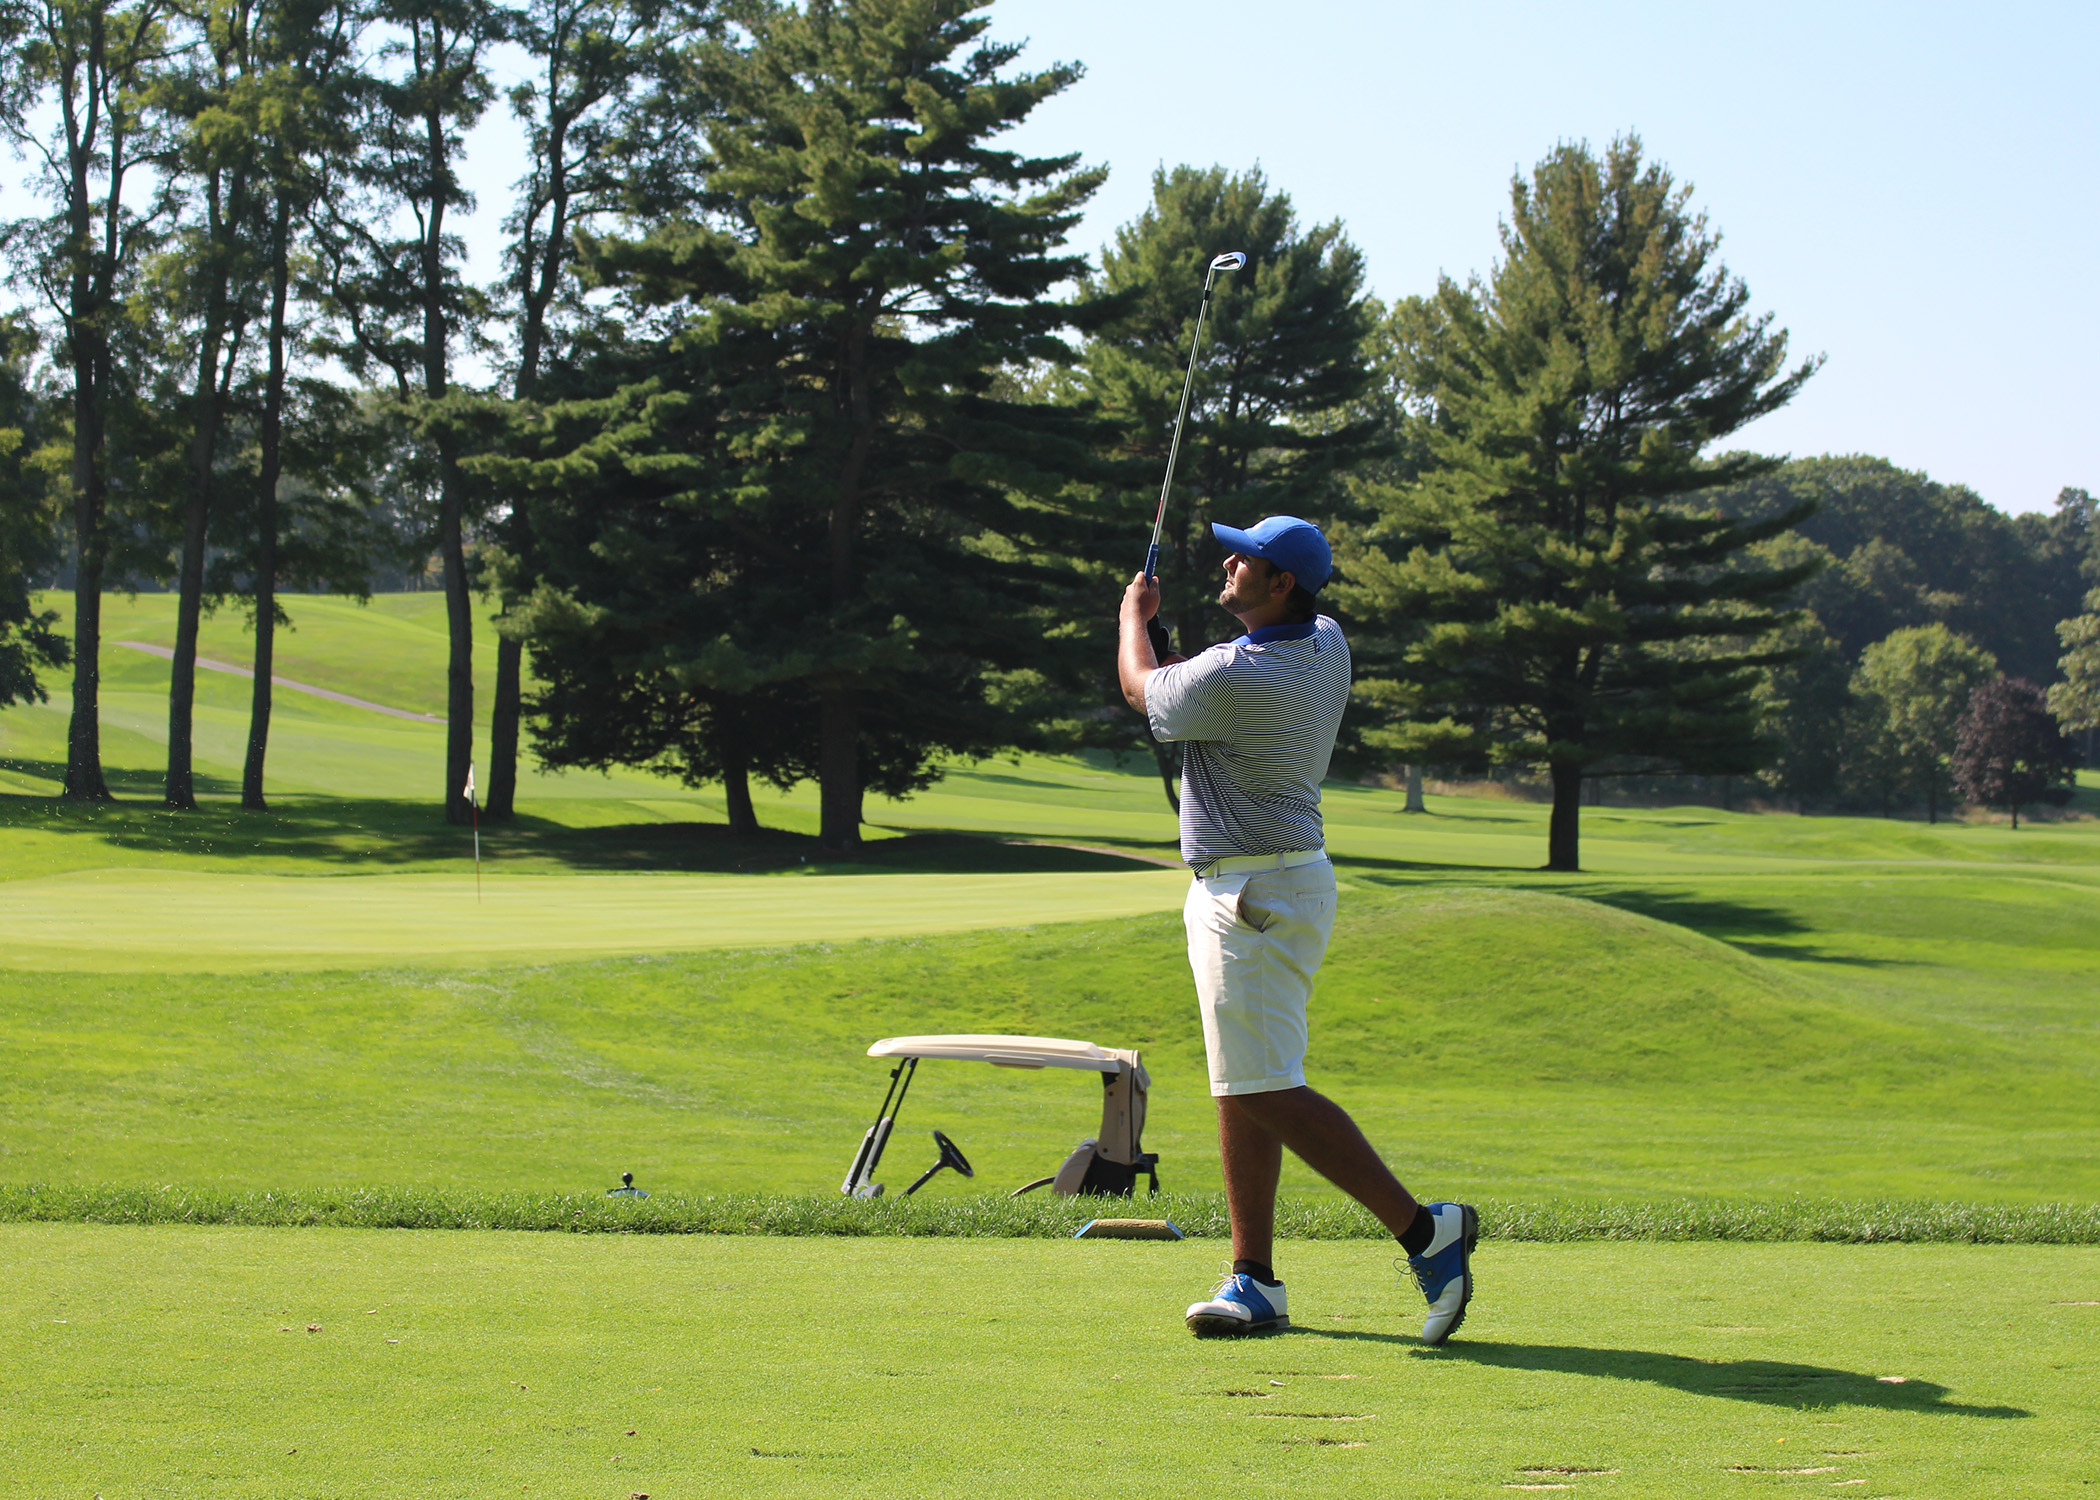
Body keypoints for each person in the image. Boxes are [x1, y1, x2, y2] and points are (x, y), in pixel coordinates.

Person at [1116, 514, 1477, 1344]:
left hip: (1252, 894)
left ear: (1281, 585)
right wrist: (1180, 662)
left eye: (1252, 559)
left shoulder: (1241, 673)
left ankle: (1427, 1231)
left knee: (1265, 1085)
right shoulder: (1327, 642)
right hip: (1277, 879)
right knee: (1244, 1079)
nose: (1232, 562)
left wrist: (1133, 617)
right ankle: (1254, 1280)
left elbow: (1145, 691)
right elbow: (1194, 689)